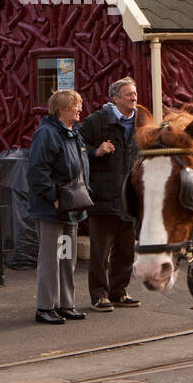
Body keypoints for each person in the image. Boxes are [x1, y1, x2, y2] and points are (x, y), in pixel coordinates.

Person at [27, 89, 91, 324]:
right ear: (63, 108)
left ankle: (65, 304)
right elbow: (37, 170)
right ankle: (45, 306)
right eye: (76, 106)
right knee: (51, 258)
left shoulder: (72, 133)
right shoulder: (47, 134)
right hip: (53, 209)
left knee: (66, 257)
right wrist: (53, 198)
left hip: (70, 207)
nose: (80, 109)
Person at [79, 77, 141, 312]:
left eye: (134, 94)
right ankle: (99, 295)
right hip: (103, 197)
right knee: (100, 252)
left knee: (126, 250)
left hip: (129, 198)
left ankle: (118, 292)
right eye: (128, 94)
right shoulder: (97, 121)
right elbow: (76, 147)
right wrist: (96, 151)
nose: (134, 98)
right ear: (115, 98)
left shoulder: (140, 122)